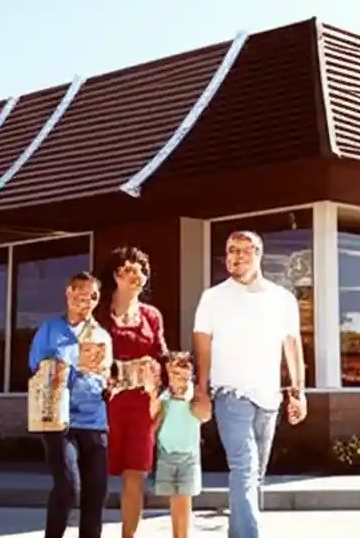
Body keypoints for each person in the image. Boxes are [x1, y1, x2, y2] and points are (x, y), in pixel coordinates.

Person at [192, 230, 307, 538]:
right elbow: (202, 349)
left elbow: (292, 346)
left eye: (244, 250)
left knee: (255, 477)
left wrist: (298, 392)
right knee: (244, 468)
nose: (236, 256)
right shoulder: (213, 298)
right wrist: (201, 392)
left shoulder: (281, 298)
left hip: (269, 398)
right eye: (231, 250)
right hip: (231, 394)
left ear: (259, 255)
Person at [27, 272, 112, 538]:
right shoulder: (50, 329)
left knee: (96, 493)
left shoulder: (101, 335)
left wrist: (110, 382)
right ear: (69, 293)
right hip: (58, 420)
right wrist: (66, 369)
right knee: (67, 486)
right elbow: (34, 368)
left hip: (94, 420)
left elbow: (107, 375)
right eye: (82, 294)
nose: (87, 301)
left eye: (93, 297)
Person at [100, 245, 169, 538]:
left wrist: (167, 388)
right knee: (96, 475)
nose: (137, 276)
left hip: (142, 403)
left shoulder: (151, 315)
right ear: (116, 275)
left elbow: (161, 353)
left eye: (142, 271)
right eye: (129, 270)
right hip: (104, 403)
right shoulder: (99, 313)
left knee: (135, 475)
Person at [151, 351, 207, 538]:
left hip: (188, 456)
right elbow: (154, 422)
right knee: (174, 500)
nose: (180, 381)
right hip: (166, 454)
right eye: (175, 375)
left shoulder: (194, 397)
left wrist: (197, 395)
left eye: (184, 376)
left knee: (184, 498)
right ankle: (177, 534)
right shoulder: (164, 398)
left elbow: (205, 414)